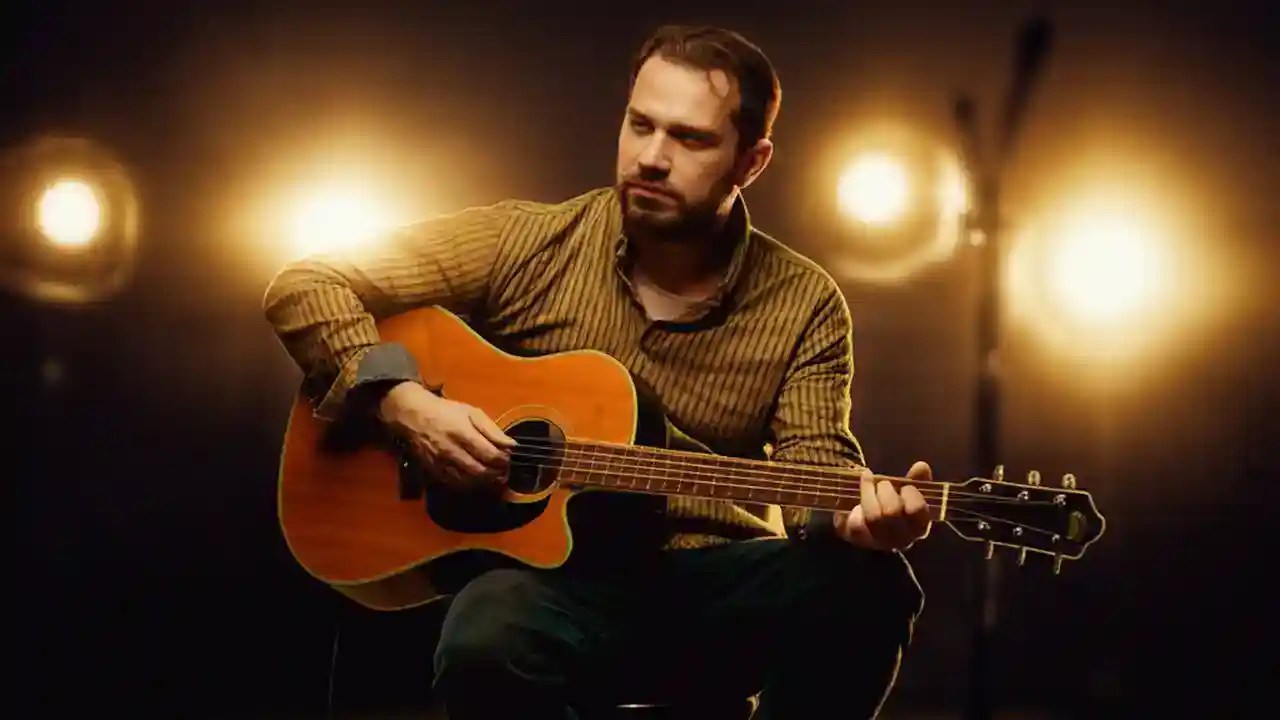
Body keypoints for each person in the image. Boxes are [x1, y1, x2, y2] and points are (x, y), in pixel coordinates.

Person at [263, 24, 931, 719]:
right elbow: (306, 283)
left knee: (870, 584)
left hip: (705, 585)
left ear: (751, 162)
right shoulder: (528, 242)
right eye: (640, 125)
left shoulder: (805, 301)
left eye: (690, 138)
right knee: (489, 626)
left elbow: (813, 479)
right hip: (551, 587)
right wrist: (404, 404)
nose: (651, 157)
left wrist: (853, 525)